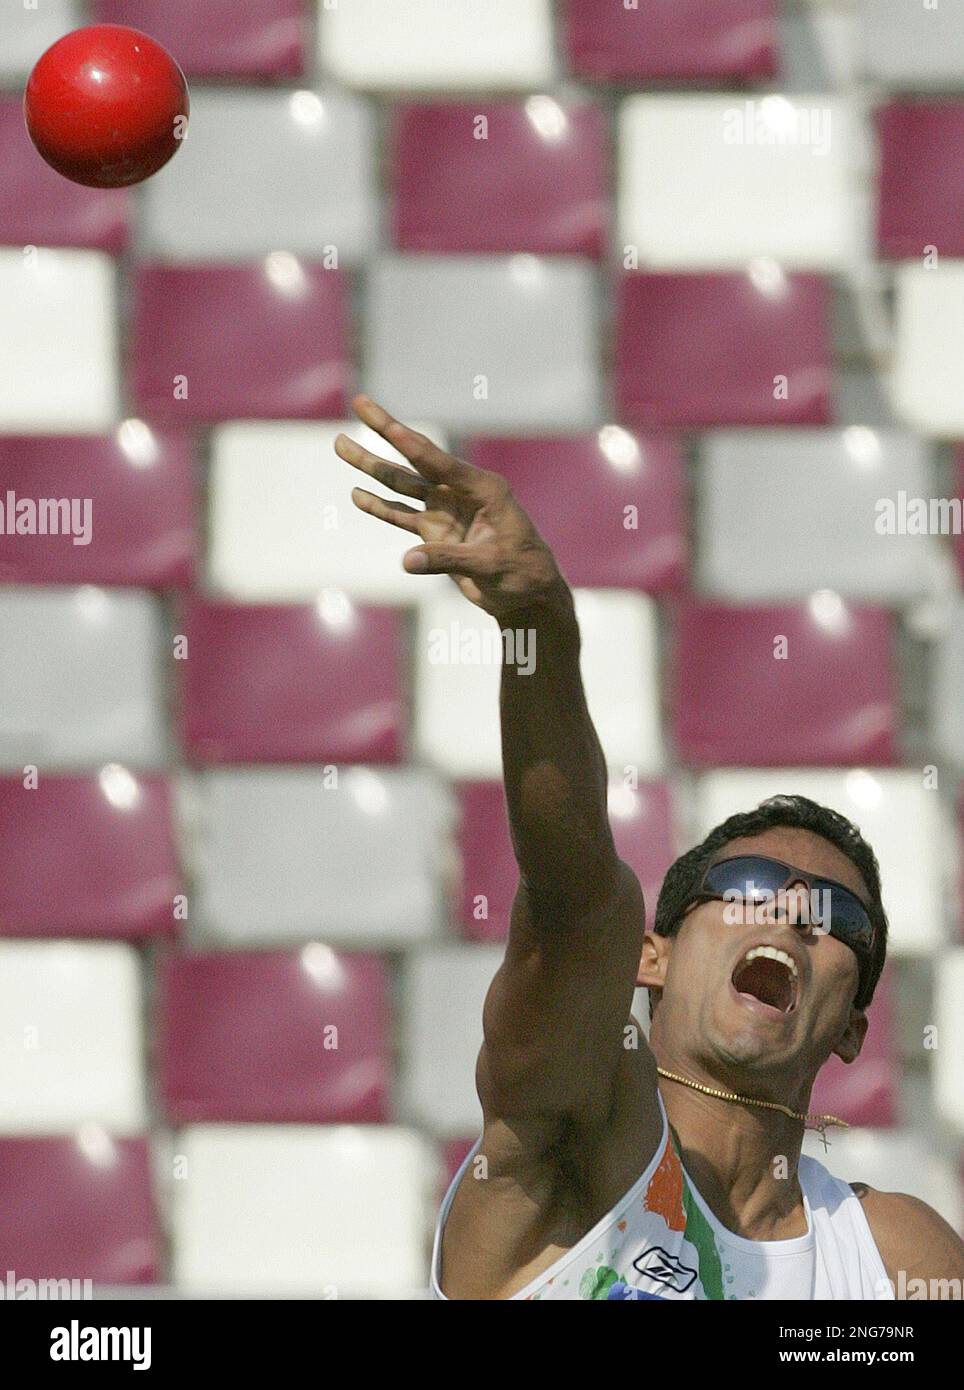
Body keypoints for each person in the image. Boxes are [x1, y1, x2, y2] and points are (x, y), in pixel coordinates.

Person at [337, 395, 964, 1301]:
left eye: (834, 914)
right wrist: (541, 627)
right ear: (651, 955)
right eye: (748, 884)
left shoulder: (896, 1259)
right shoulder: (576, 1136)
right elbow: (573, 895)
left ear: (857, 1024)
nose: (787, 914)